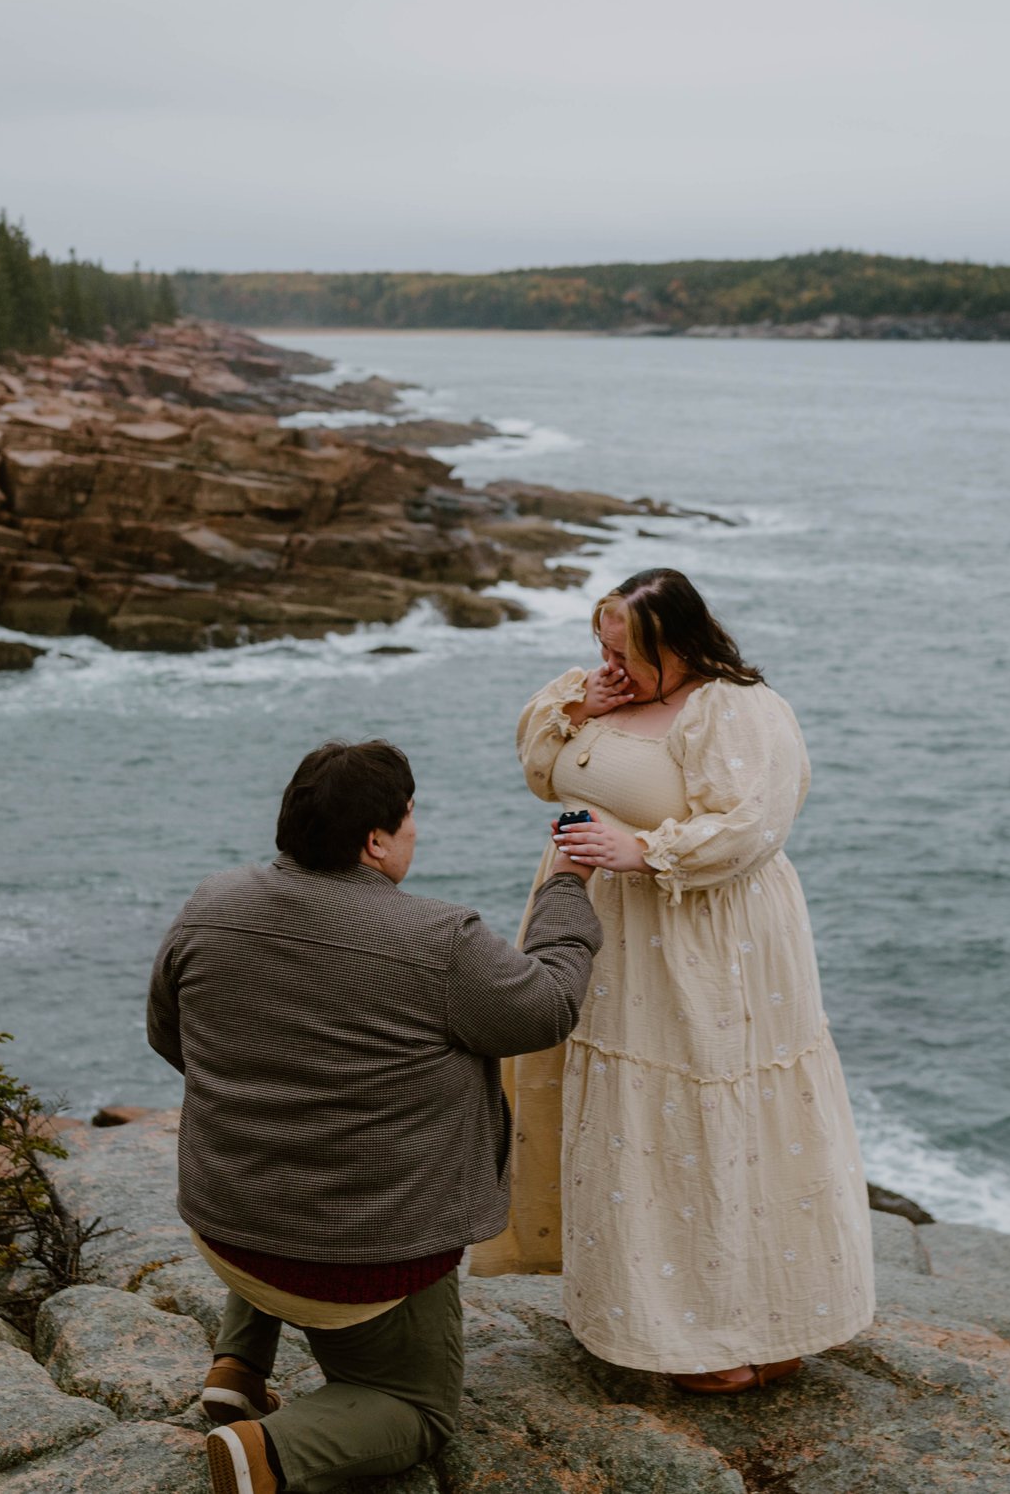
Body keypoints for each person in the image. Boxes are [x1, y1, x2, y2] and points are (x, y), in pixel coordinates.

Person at [148, 738, 603, 1494]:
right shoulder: (439, 939)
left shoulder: (213, 903)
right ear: (375, 840)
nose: (416, 830)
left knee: (290, 1150)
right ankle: (266, 1452)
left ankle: (239, 1363)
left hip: (225, 1227)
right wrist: (566, 882)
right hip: (361, 1267)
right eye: (411, 816)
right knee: (416, 1409)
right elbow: (548, 1002)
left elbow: (173, 1038)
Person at [474, 567, 875, 1392]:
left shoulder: (737, 709)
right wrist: (585, 706)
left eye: (626, 653)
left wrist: (645, 851)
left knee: (710, 1107)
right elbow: (543, 770)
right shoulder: (608, 696)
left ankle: (747, 1325)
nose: (609, 663)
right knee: (635, 1115)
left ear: (680, 643)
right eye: (603, 646)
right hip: (613, 930)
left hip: (702, 933)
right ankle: (656, 1320)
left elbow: (751, 825)